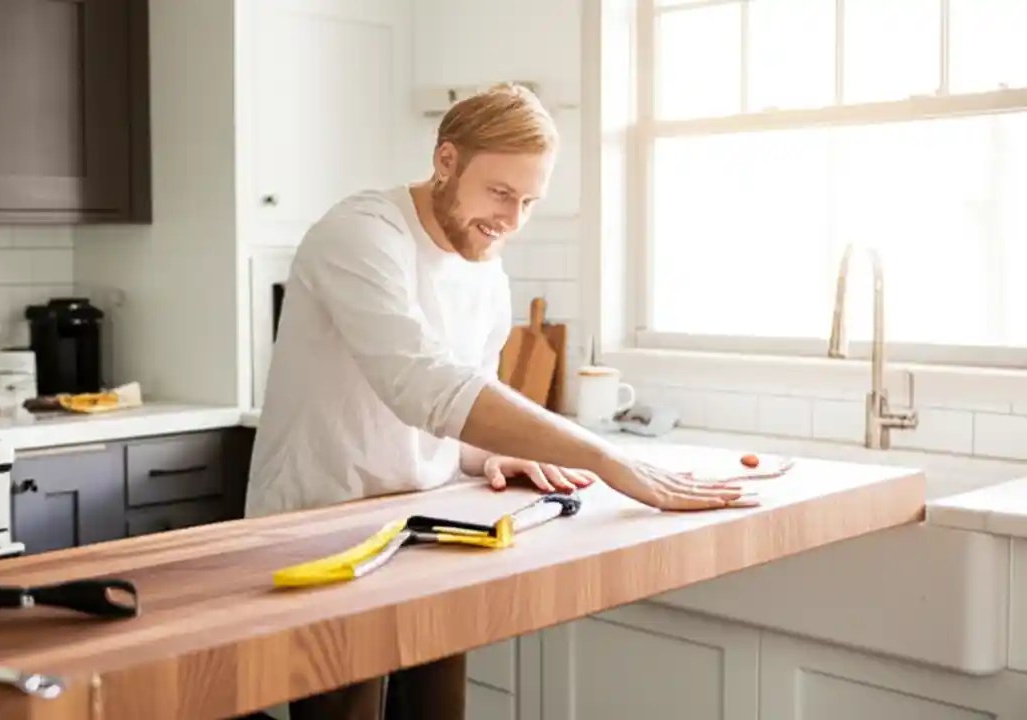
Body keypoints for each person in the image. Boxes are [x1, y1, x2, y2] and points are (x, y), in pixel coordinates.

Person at [245, 83, 750, 720]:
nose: (512, 220)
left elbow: (455, 414)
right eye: (501, 194)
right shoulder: (361, 234)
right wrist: (610, 459)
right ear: (446, 162)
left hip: (421, 530)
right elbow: (422, 385)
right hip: (319, 528)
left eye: (530, 201)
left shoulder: (486, 269)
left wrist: (488, 453)